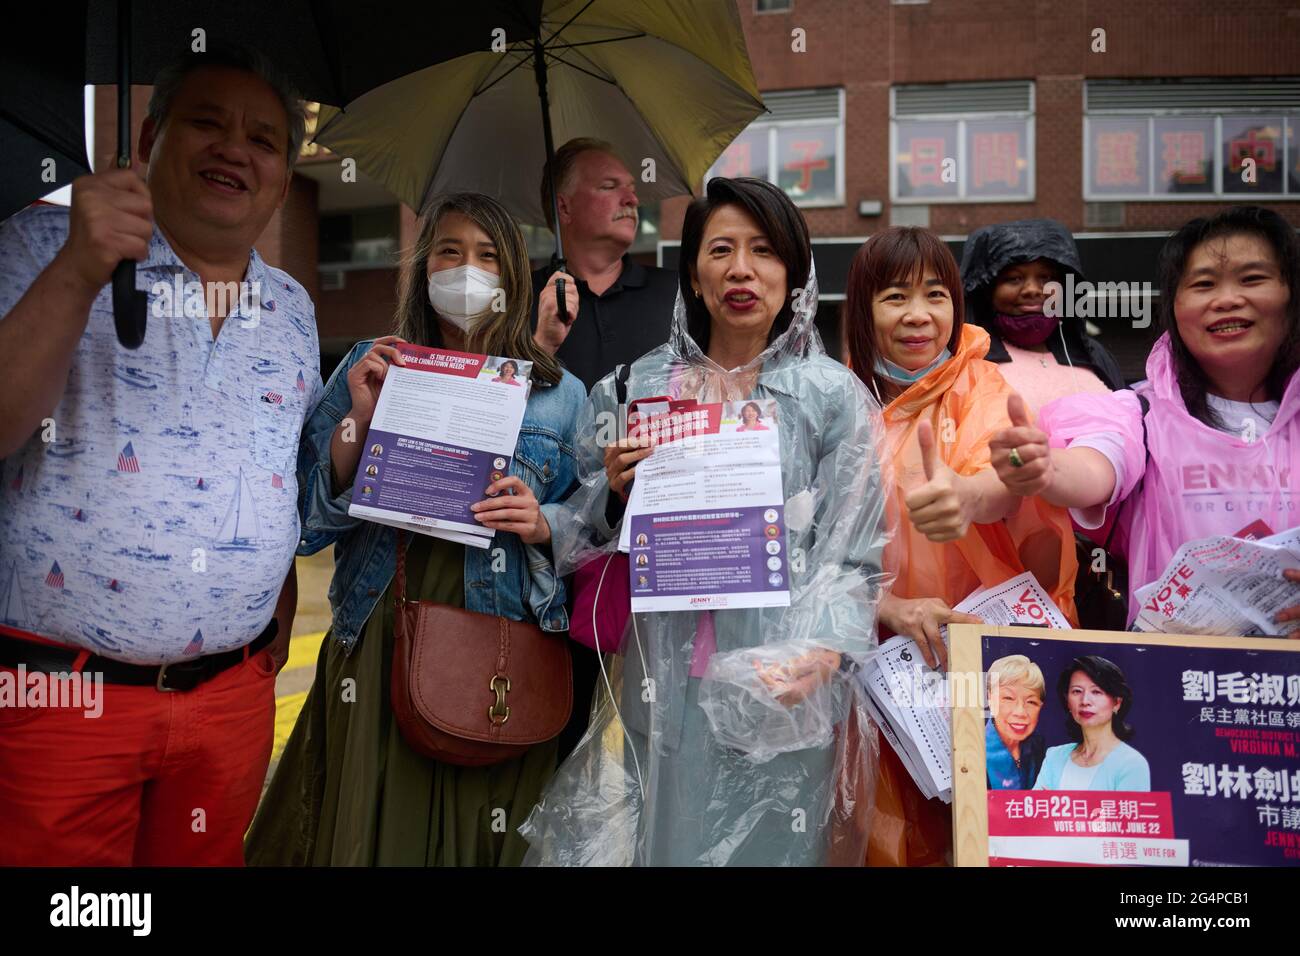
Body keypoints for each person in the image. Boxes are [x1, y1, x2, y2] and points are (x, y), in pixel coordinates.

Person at [0, 44, 314, 866]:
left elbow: (274, 467)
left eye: (264, 139)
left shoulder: (293, 309)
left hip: (231, 701)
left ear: (281, 180)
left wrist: (276, 602)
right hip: (66, 699)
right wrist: (81, 264)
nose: (234, 148)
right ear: (147, 139)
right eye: (206, 122)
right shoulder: (41, 244)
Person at [521, 177, 891, 866]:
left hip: (782, 681)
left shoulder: (831, 398)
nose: (741, 269)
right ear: (693, 272)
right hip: (665, 679)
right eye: (720, 249)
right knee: (666, 837)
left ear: (794, 273)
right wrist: (617, 494)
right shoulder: (638, 390)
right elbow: (580, 530)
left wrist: (823, 650)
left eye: (763, 251)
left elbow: (856, 551)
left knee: (774, 846)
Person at [245, 192, 584, 867]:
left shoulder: (560, 393)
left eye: (488, 256)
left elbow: (593, 533)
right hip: (380, 632)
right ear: (423, 267)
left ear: (515, 277)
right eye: (450, 252)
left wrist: (544, 522)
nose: (468, 271)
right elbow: (308, 526)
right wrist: (360, 422)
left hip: (501, 648)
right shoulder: (374, 368)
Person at [841, 226, 1079, 866]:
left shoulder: (985, 389)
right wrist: (885, 607)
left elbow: (999, 480)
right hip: (873, 672)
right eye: (895, 297)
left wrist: (967, 498)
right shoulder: (837, 404)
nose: (919, 316)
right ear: (862, 310)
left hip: (984, 663)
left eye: (936, 294)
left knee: (993, 836)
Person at [990, 206, 1300, 630]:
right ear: (1174, 307)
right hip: (1173, 682)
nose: (1226, 299)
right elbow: (1096, 461)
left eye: (1252, 279)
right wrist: (1046, 469)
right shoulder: (1136, 413)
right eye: (1203, 284)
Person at [530, 138, 679, 392]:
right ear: (564, 208)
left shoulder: (677, 291)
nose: (632, 199)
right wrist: (542, 345)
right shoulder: (518, 299)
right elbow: (500, 414)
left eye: (632, 188)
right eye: (609, 187)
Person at [960, 219, 1126, 417]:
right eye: (1014, 278)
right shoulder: (967, 360)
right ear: (986, 289)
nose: (1032, 289)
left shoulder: (1094, 355)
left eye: (1046, 278)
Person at [1034, 655, 1149, 791]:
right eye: (1077, 691)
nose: (1085, 701)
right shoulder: (1055, 756)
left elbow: (1126, 812)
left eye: (1096, 692)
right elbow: (1036, 810)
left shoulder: (1131, 763)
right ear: (1067, 701)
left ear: (1117, 703)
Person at [985, 655, 1046, 790]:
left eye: (1031, 702)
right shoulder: (974, 748)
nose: (1020, 712)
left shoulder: (1038, 744)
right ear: (990, 697)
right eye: (1008, 698)